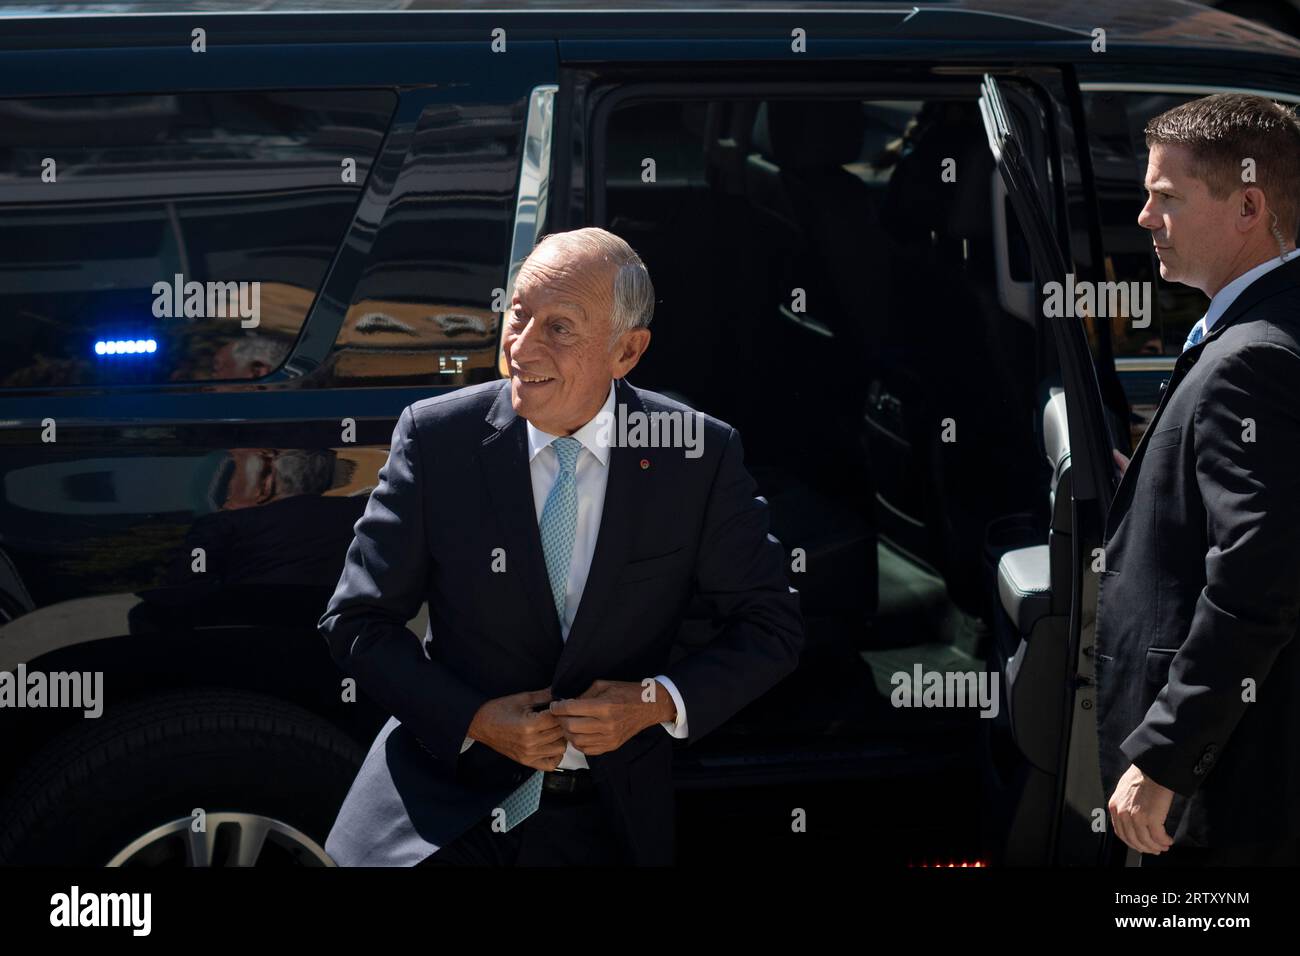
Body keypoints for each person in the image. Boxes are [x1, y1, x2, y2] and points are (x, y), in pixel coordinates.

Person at [319, 227, 803, 865]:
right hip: (444, 811)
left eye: (559, 328)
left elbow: (770, 626)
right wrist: (477, 719)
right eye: (518, 315)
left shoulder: (696, 455)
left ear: (626, 352)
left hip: (606, 818)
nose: (520, 347)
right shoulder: (439, 440)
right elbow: (356, 622)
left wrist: (654, 703)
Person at [1097, 92, 1300, 866]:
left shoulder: (1251, 358)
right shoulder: (1268, 326)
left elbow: (1257, 580)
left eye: (1166, 197)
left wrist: (1164, 756)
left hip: (1228, 793)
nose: (1145, 218)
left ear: (1248, 204)